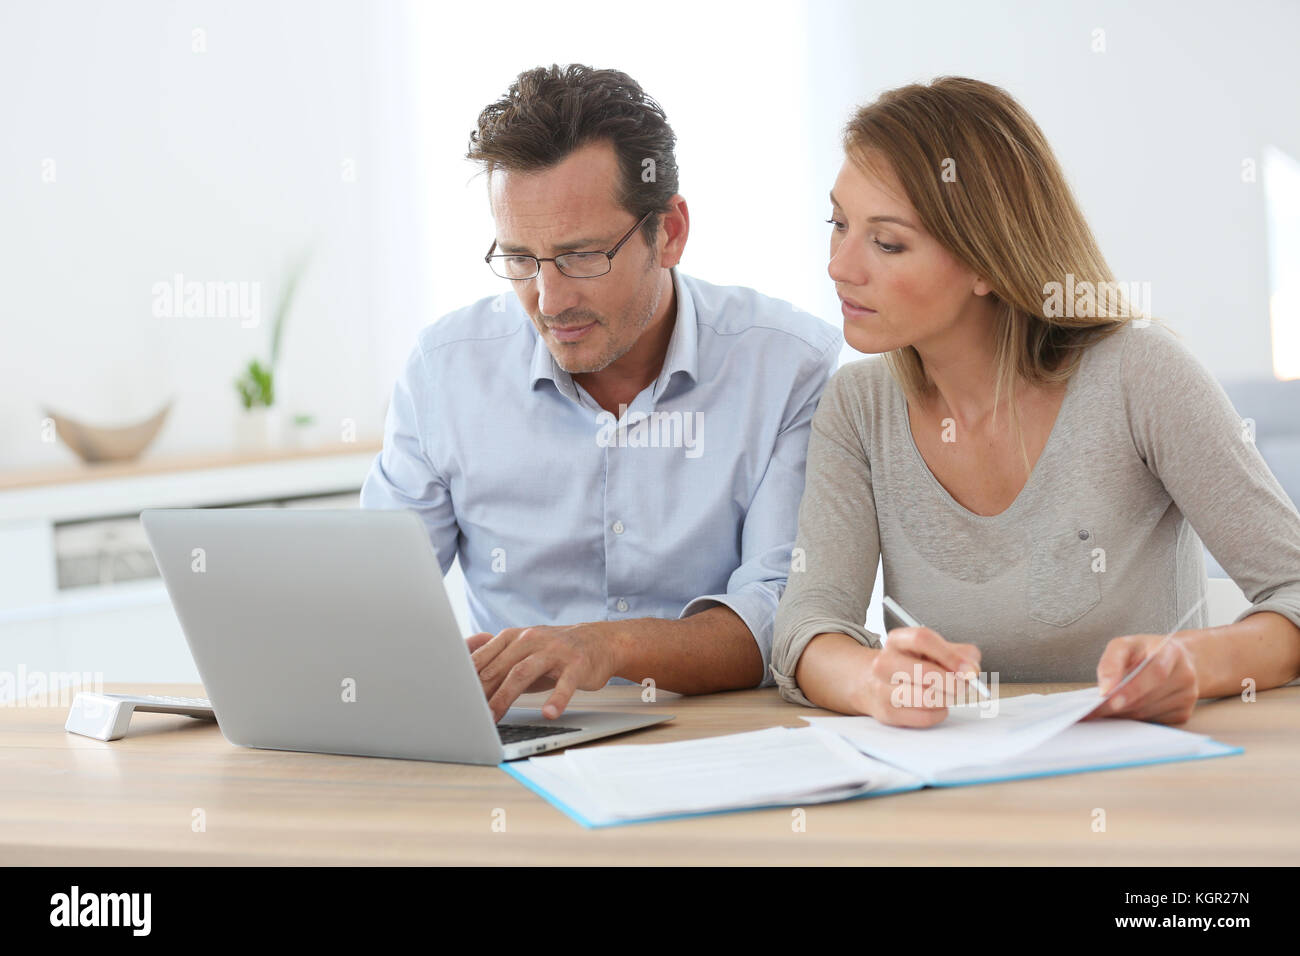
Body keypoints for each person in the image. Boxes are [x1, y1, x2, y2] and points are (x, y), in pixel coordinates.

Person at [771, 76, 1300, 727]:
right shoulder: (858, 407)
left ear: (987, 262)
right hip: (959, 792)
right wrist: (870, 680)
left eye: (886, 242)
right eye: (838, 225)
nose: (839, 266)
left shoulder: (1140, 374)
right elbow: (809, 625)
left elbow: (1294, 594)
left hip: (1141, 784)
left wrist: (1194, 663)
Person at [362, 64, 839, 722]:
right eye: (521, 260)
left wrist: (605, 646)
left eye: (583, 256)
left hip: (716, 742)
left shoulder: (789, 367)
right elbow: (374, 598)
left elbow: (782, 619)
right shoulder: (444, 372)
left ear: (668, 233)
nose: (550, 301)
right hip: (517, 751)